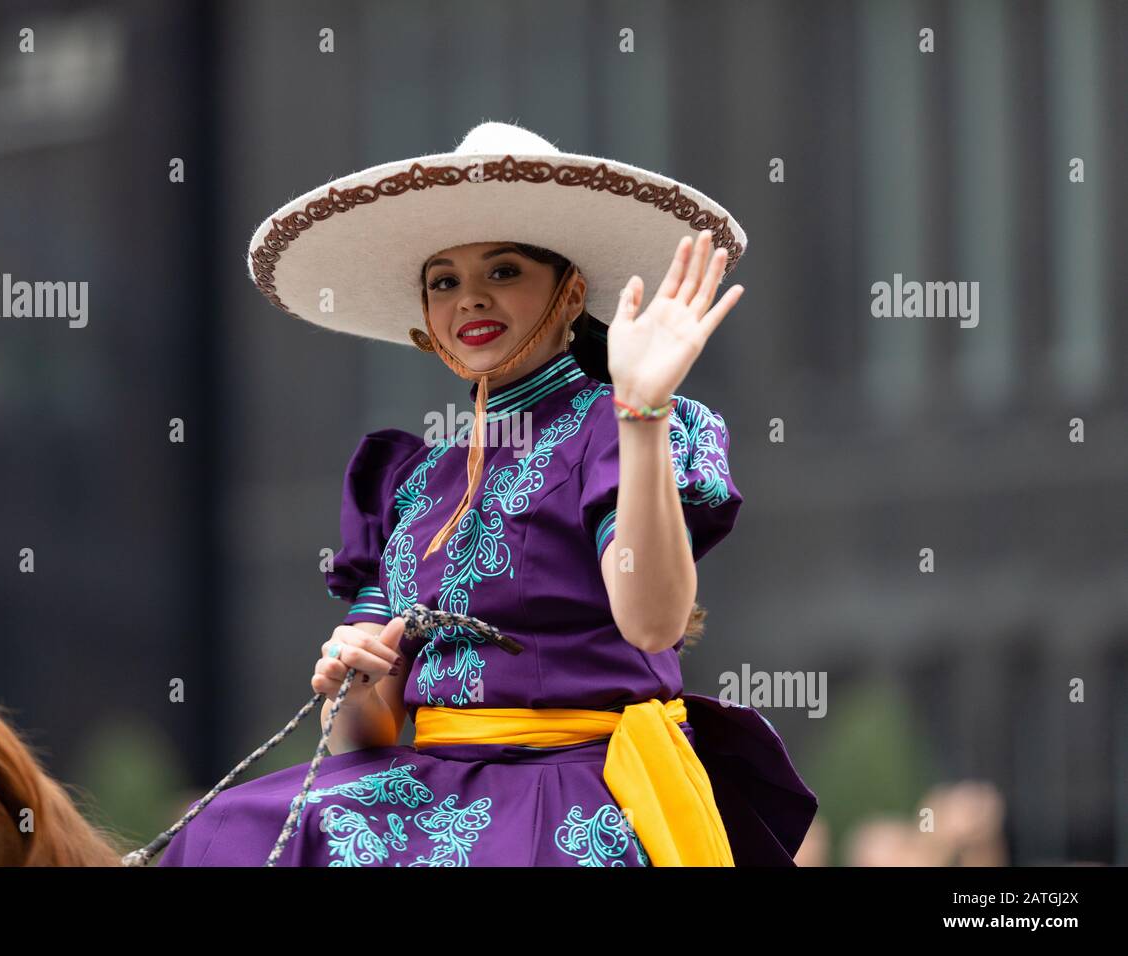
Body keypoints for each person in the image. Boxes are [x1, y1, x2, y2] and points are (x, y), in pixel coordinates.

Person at [159, 121, 818, 866]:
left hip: (574, 793)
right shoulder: (408, 481)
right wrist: (351, 681)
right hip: (433, 784)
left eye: (503, 271)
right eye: (445, 281)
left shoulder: (615, 429)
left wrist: (642, 413)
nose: (470, 298)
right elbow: (361, 737)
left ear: (571, 293)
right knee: (228, 835)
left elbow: (652, 623)